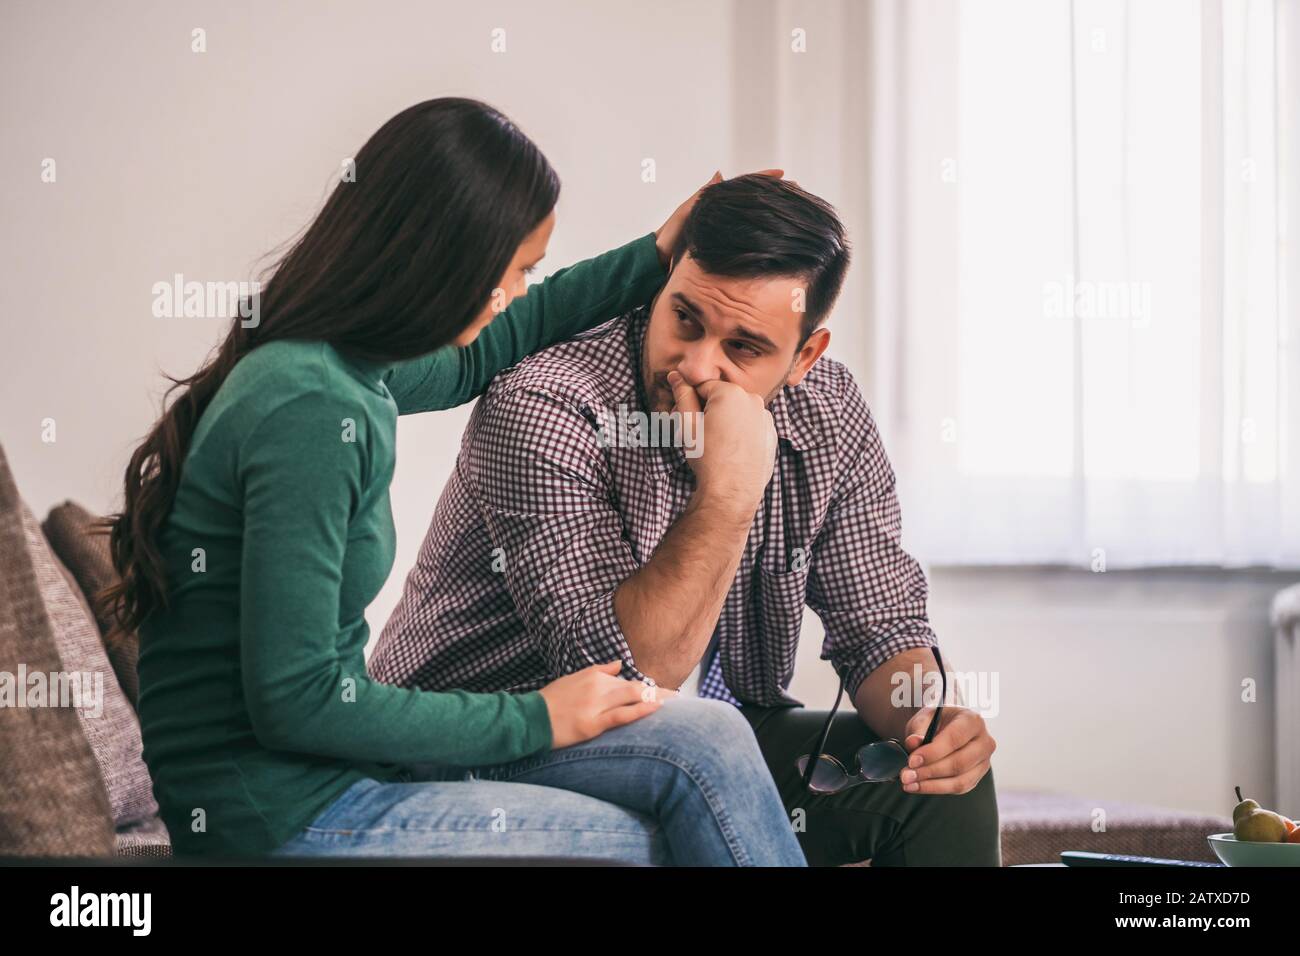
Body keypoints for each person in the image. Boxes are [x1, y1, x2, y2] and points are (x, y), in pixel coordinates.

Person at [101, 98, 805, 866]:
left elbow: (488, 348)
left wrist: (653, 252)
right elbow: (296, 700)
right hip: (274, 819)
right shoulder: (312, 405)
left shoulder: (343, 364)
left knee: (708, 740)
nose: (516, 293)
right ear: (447, 262)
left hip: (321, 785)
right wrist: (536, 717)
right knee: (654, 840)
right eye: (515, 271)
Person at [372, 174, 1001, 866]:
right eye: (686, 320)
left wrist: (930, 716)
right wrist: (729, 493)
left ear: (804, 357)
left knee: (942, 784)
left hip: (713, 734)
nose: (697, 364)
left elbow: (881, 623)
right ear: (664, 282)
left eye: (745, 347)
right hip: (496, 739)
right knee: (701, 746)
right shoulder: (547, 405)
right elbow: (623, 679)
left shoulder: (828, 410)